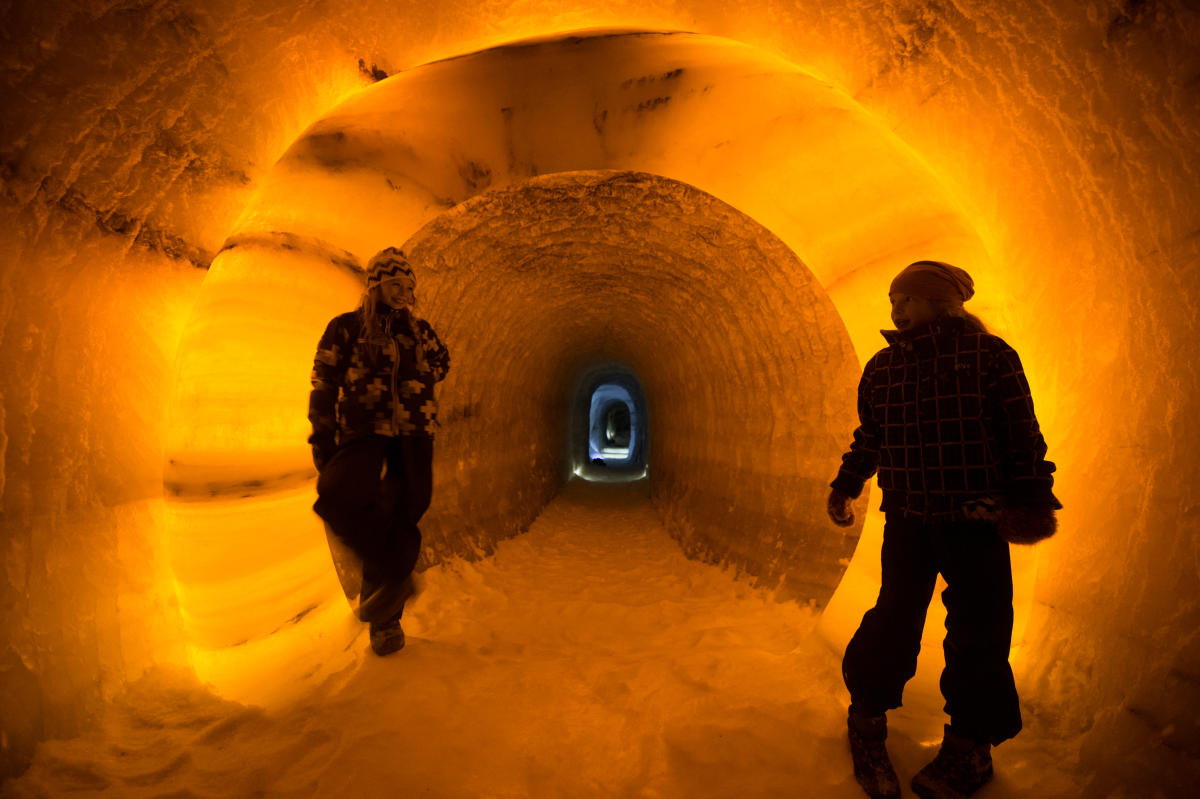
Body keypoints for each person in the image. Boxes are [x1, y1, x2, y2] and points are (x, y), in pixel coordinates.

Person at [827, 261, 1061, 799]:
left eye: (906, 298)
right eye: (892, 299)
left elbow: (1022, 439)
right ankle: (866, 720)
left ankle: (968, 747)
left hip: (975, 520)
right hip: (907, 518)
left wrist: (1028, 503)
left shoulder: (990, 357)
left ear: (943, 303)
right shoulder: (883, 368)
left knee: (980, 633)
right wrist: (847, 484)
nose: (895, 308)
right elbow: (871, 437)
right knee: (893, 620)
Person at [307, 247, 450, 656]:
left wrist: (420, 371)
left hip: (414, 431)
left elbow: (442, 364)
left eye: (408, 286)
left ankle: (386, 621)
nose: (403, 292)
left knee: (404, 515)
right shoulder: (347, 328)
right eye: (395, 283)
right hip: (364, 428)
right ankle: (392, 574)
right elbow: (323, 381)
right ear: (375, 285)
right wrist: (323, 437)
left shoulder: (418, 332)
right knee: (338, 498)